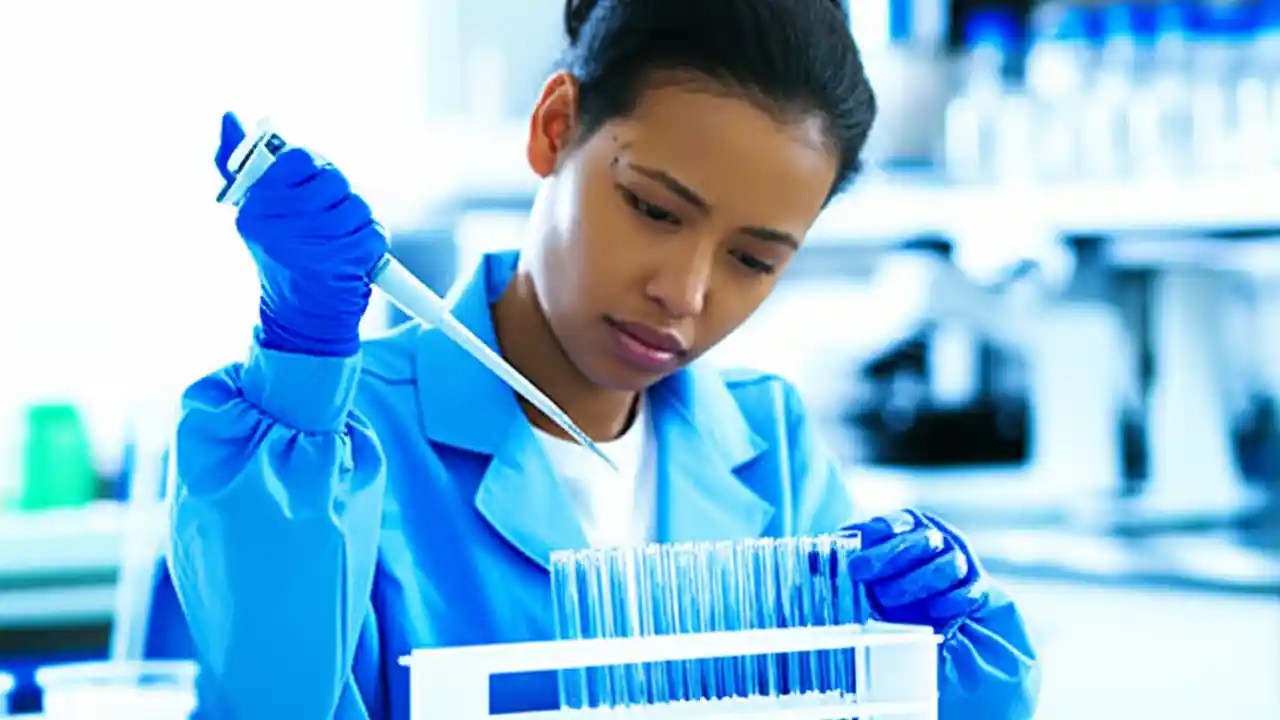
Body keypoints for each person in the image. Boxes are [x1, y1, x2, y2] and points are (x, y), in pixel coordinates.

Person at [166, 0, 1039, 717]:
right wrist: (298, 372)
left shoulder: (770, 449)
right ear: (556, 128)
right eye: (654, 210)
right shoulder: (336, 447)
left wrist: (943, 660)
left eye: (752, 259)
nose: (685, 294)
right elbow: (268, 699)